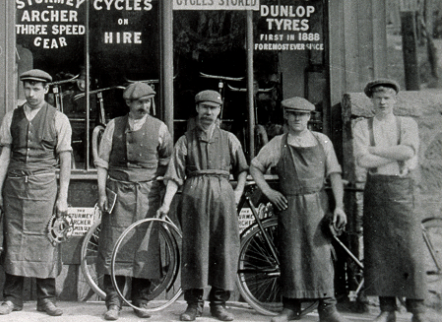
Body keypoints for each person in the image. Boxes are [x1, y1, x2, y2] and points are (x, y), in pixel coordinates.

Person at [249, 97, 347, 322]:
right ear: (286, 116)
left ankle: (328, 308)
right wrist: (269, 192)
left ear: (309, 117)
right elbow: (255, 167)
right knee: (292, 255)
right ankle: (290, 308)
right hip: (290, 206)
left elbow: (334, 174)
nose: (297, 119)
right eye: (292, 114)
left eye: (301, 115)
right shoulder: (278, 143)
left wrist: (340, 206)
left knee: (321, 256)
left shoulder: (322, 141)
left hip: (318, 205)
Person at [158, 90, 248, 322]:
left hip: (223, 196)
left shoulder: (230, 139)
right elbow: (174, 176)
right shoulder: (185, 140)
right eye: (204, 107)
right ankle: (193, 305)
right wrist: (166, 204)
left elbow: (242, 169)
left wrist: (238, 191)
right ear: (197, 109)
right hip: (194, 195)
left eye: (213, 108)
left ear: (219, 111)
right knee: (195, 250)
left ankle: (219, 303)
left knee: (224, 249)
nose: (208, 112)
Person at [0, 69, 72, 317]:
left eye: (36, 88)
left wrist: (63, 198)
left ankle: (46, 299)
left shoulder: (59, 119)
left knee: (46, 243)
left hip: (44, 189)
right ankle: (11, 299)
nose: (31, 93)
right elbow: (5, 154)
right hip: (15, 189)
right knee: (13, 242)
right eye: (27, 88)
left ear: (46, 90)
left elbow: (65, 159)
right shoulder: (11, 117)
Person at [96, 82, 174, 321]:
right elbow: (102, 163)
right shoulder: (113, 126)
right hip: (117, 194)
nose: (144, 106)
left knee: (145, 249)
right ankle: (113, 302)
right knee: (114, 246)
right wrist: (101, 192)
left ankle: (141, 300)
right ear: (129, 103)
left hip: (147, 195)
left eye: (148, 102)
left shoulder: (160, 129)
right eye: (139, 102)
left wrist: (159, 188)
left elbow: (168, 161)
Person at [353, 79, 427, 322]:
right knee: (378, 251)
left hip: (403, 191)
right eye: (378, 98)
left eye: (387, 98)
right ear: (371, 101)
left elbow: (408, 152)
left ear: (395, 100)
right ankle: (387, 309)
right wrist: (390, 153)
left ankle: (418, 310)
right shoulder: (363, 127)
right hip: (377, 191)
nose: (382, 102)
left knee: (410, 251)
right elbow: (362, 160)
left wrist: (376, 151)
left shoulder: (407, 124)